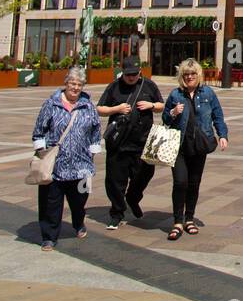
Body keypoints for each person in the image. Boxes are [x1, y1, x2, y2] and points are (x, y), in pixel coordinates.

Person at [32, 67, 102, 251]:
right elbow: (39, 130)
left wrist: (93, 150)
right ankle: (49, 236)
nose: (75, 88)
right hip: (56, 163)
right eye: (72, 83)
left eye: (79, 85)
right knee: (51, 201)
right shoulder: (51, 104)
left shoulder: (88, 106)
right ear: (66, 83)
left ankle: (78, 221)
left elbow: (96, 130)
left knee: (80, 198)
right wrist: (41, 150)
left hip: (82, 164)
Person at [163, 58, 229, 242]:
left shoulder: (208, 93)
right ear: (181, 76)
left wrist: (222, 135)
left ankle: (189, 219)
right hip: (179, 146)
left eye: (193, 74)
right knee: (180, 182)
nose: (190, 77)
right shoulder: (176, 95)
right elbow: (165, 119)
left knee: (193, 183)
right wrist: (173, 113)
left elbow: (218, 115)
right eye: (186, 74)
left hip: (199, 145)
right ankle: (177, 221)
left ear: (198, 75)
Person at [97, 55, 164, 229]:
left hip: (143, 143)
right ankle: (117, 212)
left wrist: (151, 105)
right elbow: (100, 108)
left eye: (134, 74)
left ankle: (133, 198)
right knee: (115, 180)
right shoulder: (114, 87)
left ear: (140, 72)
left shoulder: (148, 85)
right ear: (122, 72)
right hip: (119, 143)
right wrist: (116, 109)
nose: (131, 77)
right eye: (128, 74)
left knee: (145, 174)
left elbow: (161, 105)